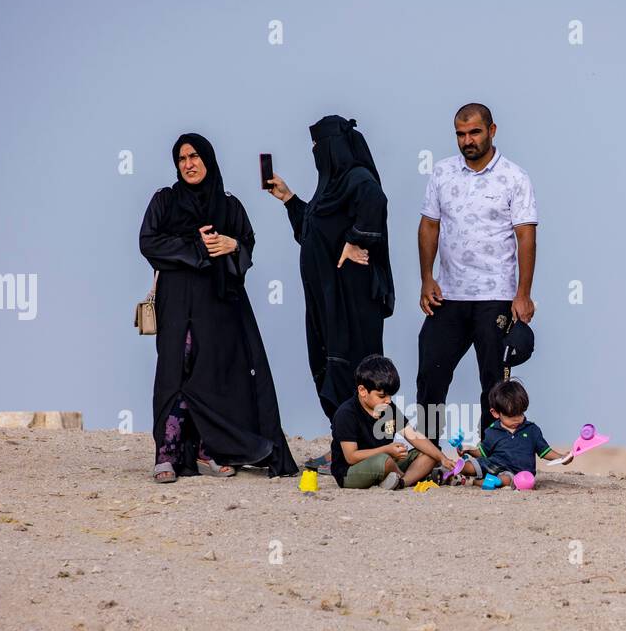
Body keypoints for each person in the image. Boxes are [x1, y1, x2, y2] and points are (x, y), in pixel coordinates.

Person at [139, 132, 298, 483]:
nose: (189, 164)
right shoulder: (164, 201)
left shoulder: (228, 206)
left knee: (213, 374)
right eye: (181, 159)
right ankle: (167, 454)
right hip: (177, 302)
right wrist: (197, 248)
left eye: (194, 156)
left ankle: (209, 450)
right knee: (174, 371)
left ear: (208, 159)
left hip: (218, 304)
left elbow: (247, 246)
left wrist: (231, 245)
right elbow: (148, 242)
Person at [266, 116, 394, 473]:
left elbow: (376, 201)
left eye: (318, 147)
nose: (315, 154)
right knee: (330, 364)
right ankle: (345, 446)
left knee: (356, 369)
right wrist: (290, 199)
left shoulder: (358, 180)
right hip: (326, 299)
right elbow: (314, 230)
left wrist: (357, 239)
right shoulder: (330, 189)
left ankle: (370, 449)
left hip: (351, 300)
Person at [416, 102, 538, 445]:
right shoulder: (441, 173)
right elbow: (428, 226)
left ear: (492, 131)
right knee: (431, 374)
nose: (467, 140)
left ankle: (493, 452)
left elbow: (525, 233)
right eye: (460, 134)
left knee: (493, 382)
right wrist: (427, 278)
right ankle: (428, 449)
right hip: (449, 295)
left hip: (495, 295)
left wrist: (523, 293)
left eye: (474, 132)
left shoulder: (515, 177)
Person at [329, 355, 455, 490]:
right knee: (384, 461)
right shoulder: (347, 413)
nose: (388, 400)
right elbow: (351, 457)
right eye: (382, 396)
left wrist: (442, 458)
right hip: (351, 472)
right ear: (362, 391)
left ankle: (402, 482)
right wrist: (387, 450)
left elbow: (413, 435)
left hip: (388, 462)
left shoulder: (388, 407)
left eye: (390, 396)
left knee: (430, 453)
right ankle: (409, 478)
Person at [455, 380, 570, 488]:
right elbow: (483, 452)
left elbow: (545, 451)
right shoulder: (492, 431)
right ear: (495, 413)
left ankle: (484, 481)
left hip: (516, 472)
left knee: (506, 479)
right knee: (468, 466)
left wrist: (561, 457)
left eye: (520, 414)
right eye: (510, 417)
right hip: (493, 464)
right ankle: (452, 472)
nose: (516, 420)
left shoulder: (532, 430)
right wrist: (468, 449)